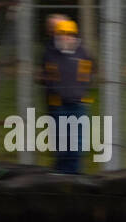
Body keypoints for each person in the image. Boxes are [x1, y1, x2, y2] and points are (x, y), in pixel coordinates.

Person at [41, 18, 96, 174]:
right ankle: (62, 174)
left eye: (69, 35)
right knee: (61, 144)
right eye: (61, 34)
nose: (65, 38)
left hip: (78, 105)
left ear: (75, 36)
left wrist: (81, 92)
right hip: (58, 105)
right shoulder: (50, 53)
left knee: (76, 146)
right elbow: (47, 77)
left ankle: (72, 176)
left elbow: (89, 74)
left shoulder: (83, 53)